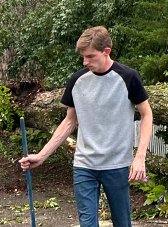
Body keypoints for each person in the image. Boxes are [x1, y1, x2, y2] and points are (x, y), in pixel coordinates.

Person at [19, 26, 153, 227]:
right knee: (87, 224)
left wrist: (140, 157)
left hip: (116, 165)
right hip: (84, 165)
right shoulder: (77, 80)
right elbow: (70, 121)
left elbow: (146, 114)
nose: (85, 62)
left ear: (106, 51)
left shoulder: (128, 77)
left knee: (122, 223)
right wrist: (42, 155)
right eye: (83, 57)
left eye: (90, 56)